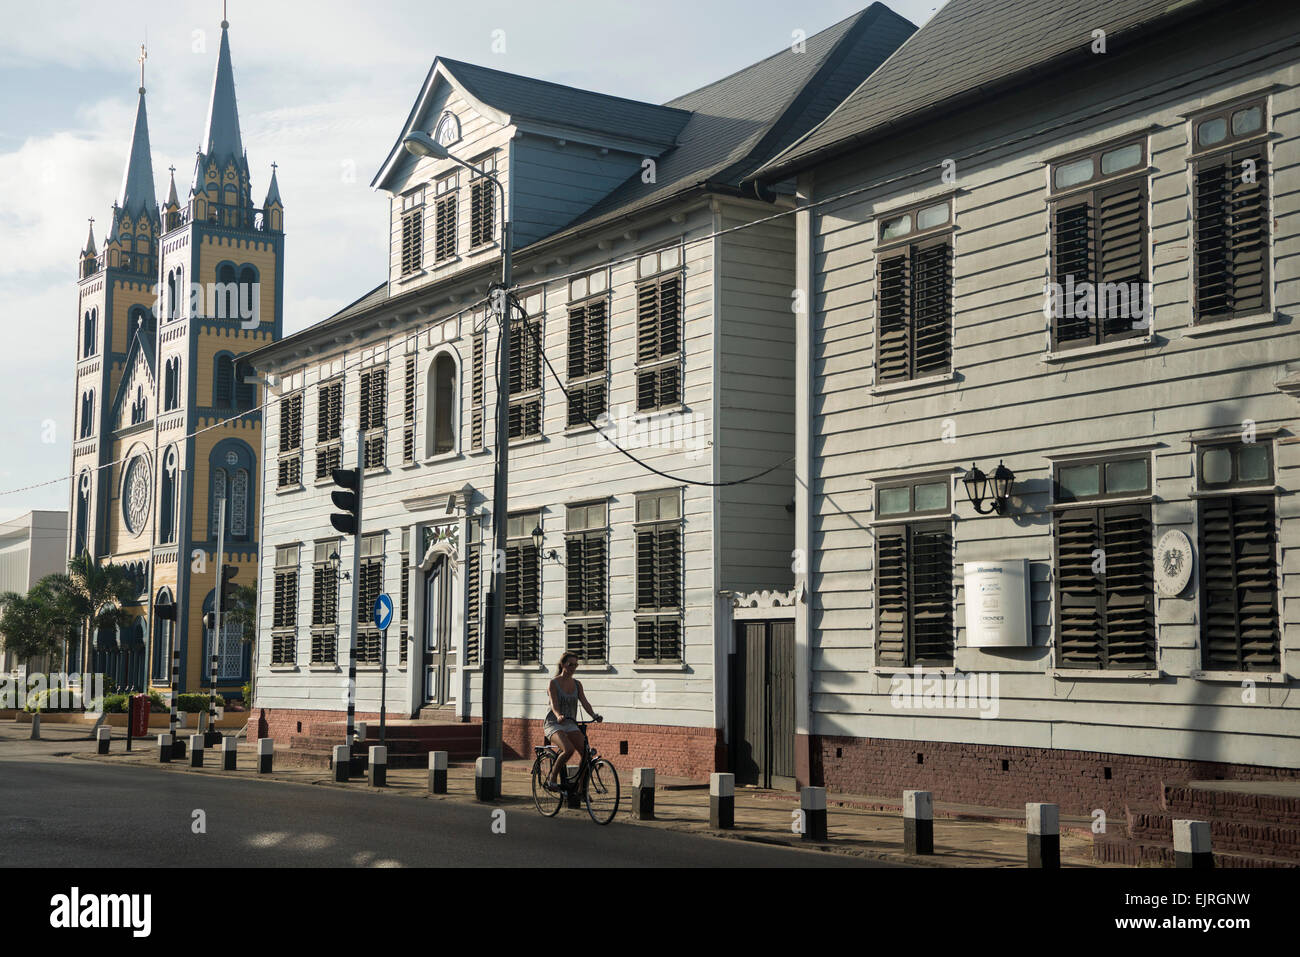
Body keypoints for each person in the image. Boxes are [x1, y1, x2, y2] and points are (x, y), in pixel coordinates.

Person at [543, 652, 601, 790]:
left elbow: (585, 702)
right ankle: (552, 780)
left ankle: (581, 789)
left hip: (570, 723)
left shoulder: (577, 684)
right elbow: (554, 704)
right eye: (570, 665)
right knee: (568, 749)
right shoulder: (553, 683)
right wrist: (558, 715)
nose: (573, 668)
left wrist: (594, 715)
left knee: (586, 754)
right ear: (563, 665)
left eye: (575, 665)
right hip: (554, 723)